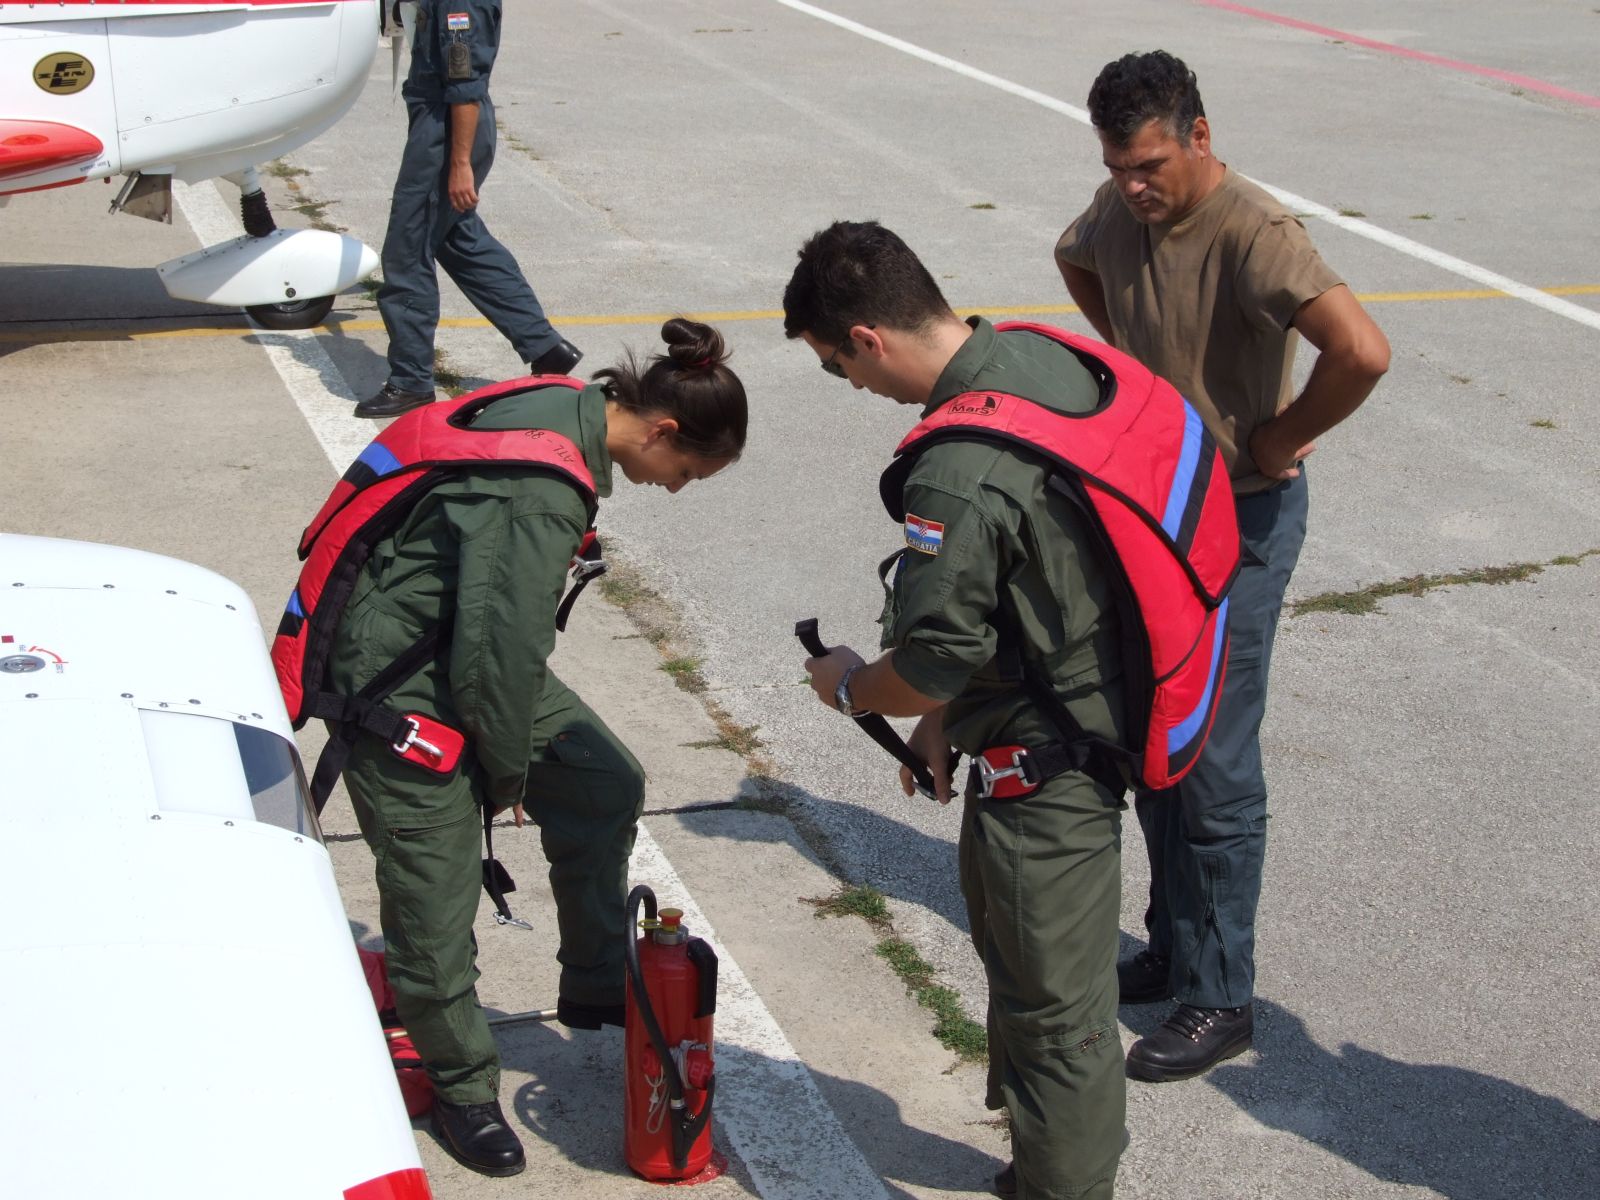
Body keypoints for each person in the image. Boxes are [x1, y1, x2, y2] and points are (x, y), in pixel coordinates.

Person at [326, 318, 746, 1175]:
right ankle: (463, 1088)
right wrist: (505, 772)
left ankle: (594, 981)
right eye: (686, 473)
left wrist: (511, 752)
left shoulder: (571, 406)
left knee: (600, 782)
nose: (675, 489)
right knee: (436, 899)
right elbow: (498, 657)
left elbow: (491, 648)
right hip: (395, 680)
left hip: (451, 649)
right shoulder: (544, 492)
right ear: (662, 429)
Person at [1055, 50, 1390, 1083]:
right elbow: (1074, 258)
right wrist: (1136, 372)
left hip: (1240, 523)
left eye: (1149, 165)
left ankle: (1220, 996)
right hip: (1154, 514)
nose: (1131, 187)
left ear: (1200, 136)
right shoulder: (1121, 212)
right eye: (1117, 168)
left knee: (1216, 757)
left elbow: (1361, 351)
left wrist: (1276, 438)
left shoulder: (1253, 228)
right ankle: (1173, 946)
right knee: (1158, 735)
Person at [785, 221, 1129, 1200]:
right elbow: (1024, 580)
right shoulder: (1035, 359)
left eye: (838, 367)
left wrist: (852, 685)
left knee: (1055, 1012)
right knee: (1032, 979)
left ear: (868, 338)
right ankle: (1042, 1165)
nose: (851, 386)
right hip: (1094, 705)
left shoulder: (954, 466)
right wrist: (943, 717)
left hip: (1049, 765)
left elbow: (934, 658)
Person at [357, 0, 582, 420]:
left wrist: (459, 164)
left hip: (447, 135)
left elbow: (464, 81)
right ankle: (545, 347)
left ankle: (411, 381)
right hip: (440, 126)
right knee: (459, 241)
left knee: (407, 250)